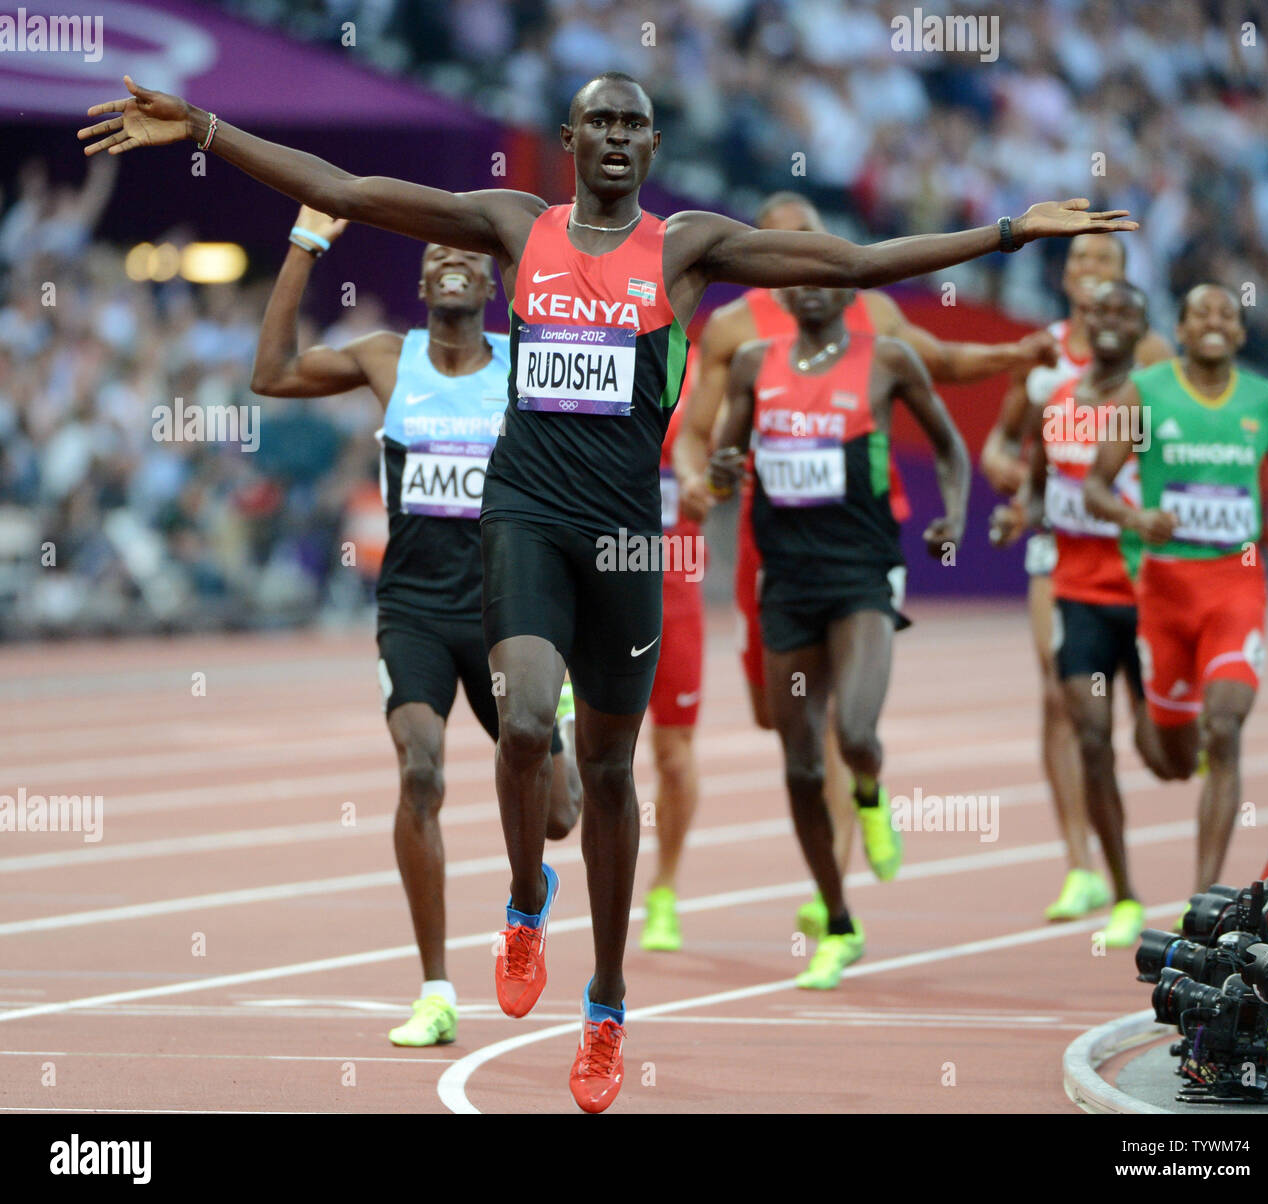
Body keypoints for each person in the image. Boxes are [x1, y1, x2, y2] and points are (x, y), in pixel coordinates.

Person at [80, 68, 1136, 1113]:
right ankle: (527, 898)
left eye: (636, 122)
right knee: (527, 723)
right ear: (570, 138)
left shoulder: (687, 249)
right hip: (524, 516)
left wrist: (1004, 236)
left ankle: (607, 1002)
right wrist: (207, 124)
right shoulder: (512, 224)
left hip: (627, 540)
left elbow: (855, 263)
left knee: (613, 775)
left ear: (653, 148)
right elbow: (349, 190)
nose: (619, 137)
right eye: (601, 123)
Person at [674, 191, 1059, 939]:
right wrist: (702, 477)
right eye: (780, 251)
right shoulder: (734, 333)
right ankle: (843, 823)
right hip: (773, 548)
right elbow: (701, 435)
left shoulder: (874, 323)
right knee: (783, 724)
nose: (798, 265)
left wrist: (1011, 355)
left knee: (842, 729)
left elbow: (941, 364)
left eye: (811, 246)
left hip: (861, 550)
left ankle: (836, 889)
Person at [249, 206, 580, 1046]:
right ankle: (436, 989)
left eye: (471, 253)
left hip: (512, 610)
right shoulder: (385, 360)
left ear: (496, 281)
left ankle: (532, 855)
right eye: (437, 252)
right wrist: (305, 243)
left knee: (561, 815)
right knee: (421, 773)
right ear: (424, 281)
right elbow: (273, 374)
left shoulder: (524, 365)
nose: (453, 261)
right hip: (416, 612)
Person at [707, 281, 969, 987]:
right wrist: (722, 470)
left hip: (862, 575)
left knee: (853, 733)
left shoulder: (888, 359)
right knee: (798, 764)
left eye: (828, 275)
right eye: (799, 277)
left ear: (850, 290)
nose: (812, 287)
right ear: (784, 295)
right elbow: (720, 460)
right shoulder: (752, 363)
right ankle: (839, 920)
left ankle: (871, 791)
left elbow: (950, 446)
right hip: (786, 582)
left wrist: (954, 515)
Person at [1084, 283, 1268, 893]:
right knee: (1170, 760)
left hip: (1235, 586)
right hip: (1164, 592)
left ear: (1239, 333)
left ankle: (1202, 899)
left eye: (1226, 312)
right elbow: (1097, 487)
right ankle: (1162, 719)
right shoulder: (1143, 392)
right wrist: (1135, 518)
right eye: (1200, 311)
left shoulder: (1265, 399)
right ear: (1178, 331)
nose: (1214, 320)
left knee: (1225, 728)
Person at [981, 234, 1172, 922]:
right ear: (1065, 278)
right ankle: (1081, 866)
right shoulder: (1043, 354)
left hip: (1134, 558)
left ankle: (1171, 731)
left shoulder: (1150, 358)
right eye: (1082, 261)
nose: (1092, 273)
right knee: (1060, 697)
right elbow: (1002, 440)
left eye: (1107, 263)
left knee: (1154, 733)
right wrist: (1007, 472)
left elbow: (1174, 432)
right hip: (1056, 548)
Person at [639, 386, 706, 952]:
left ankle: (664, 891)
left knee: (673, 755)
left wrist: (710, 482)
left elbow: (718, 470)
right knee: (592, 751)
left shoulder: (697, 381)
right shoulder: (591, 358)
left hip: (674, 593)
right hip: (599, 586)